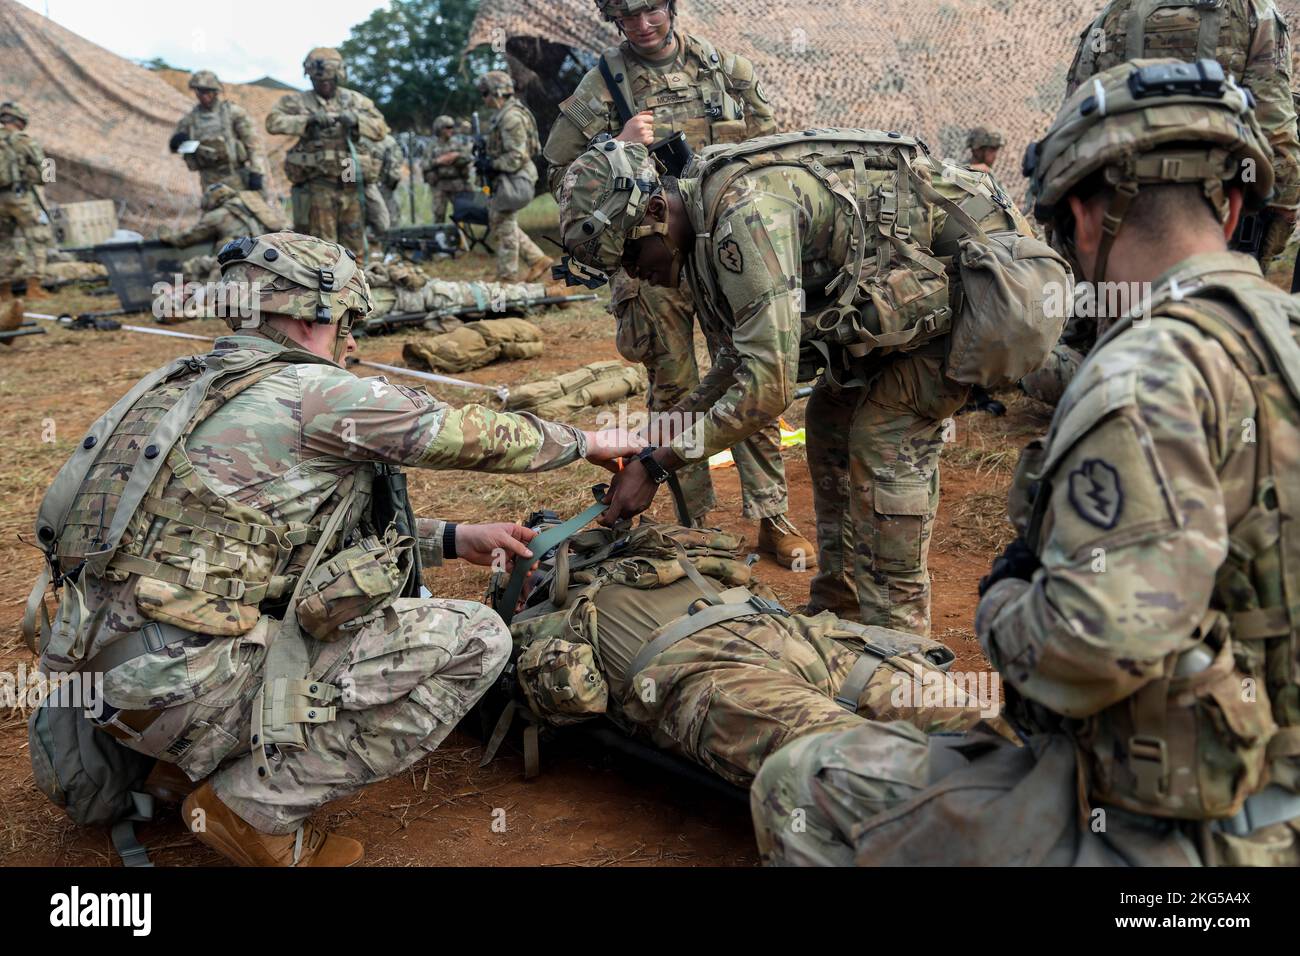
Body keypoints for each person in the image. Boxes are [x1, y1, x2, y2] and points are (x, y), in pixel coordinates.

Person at [750, 59, 1300, 868]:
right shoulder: (1282, 333)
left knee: (802, 784)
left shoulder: (1143, 376)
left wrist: (1006, 599)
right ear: (1235, 201)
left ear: (1084, 214)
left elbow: (1088, 652)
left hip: (1198, 838)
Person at [22, 231, 640, 866]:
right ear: (305, 313)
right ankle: (252, 809)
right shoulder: (311, 392)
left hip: (99, 681)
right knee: (476, 639)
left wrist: (454, 539)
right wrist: (588, 441)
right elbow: (466, 434)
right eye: (347, 319)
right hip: (183, 687)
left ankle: (174, 771)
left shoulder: (175, 388)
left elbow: (268, 535)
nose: (351, 340)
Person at [558, 132, 1039, 635]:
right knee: (829, 418)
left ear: (657, 207)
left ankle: (900, 649)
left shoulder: (744, 217)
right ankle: (841, 613)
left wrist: (658, 465)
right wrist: (665, 432)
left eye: (633, 258)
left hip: (977, 289)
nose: (638, 276)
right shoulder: (700, 214)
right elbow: (739, 357)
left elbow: (768, 386)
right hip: (901, 308)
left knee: (883, 439)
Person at [543, 0, 809, 566]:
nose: (642, 26)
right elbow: (561, 180)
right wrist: (615, 145)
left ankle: (770, 515)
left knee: (748, 369)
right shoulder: (601, 86)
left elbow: (771, 154)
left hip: (727, 249)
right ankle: (700, 526)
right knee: (674, 388)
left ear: (670, 7)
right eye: (627, 17)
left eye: (650, 11)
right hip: (649, 260)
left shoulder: (725, 69)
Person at [1067, 0, 1300, 262]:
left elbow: (1072, 140)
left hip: (1119, 239)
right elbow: (1279, 149)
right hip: (1214, 235)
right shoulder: (1255, 14)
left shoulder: (1108, 19)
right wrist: (1260, 254)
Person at [266, 48, 389, 255]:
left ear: (339, 76)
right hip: (319, 181)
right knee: (323, 248)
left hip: (349, 175)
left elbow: (381, 128)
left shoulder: (355, 101)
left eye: (329, 80)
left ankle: (356, 282)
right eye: (317, 81)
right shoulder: (297, 101)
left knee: (354, 242)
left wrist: (357, 121)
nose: (323, 85)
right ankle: (327, 283)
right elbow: (273, 122)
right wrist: (307, 121)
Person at [476, 70, 552, 282]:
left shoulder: (510, 117)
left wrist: (491, 164)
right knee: (501, 222)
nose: (484, 99)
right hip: (509, 178)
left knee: (504, 226)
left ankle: (507, 278)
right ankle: (537, 260)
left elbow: (516, 156)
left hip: (515, 179)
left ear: (496, 92)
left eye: (485, 93)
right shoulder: (504, 114)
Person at [158, 182, 286, 283]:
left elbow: (187, 238)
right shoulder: (253, 204)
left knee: (195, 265)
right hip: (270, 254)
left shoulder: (217, 216)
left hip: (241, 261)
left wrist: (168, 237)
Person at [168, 71, 266, 193]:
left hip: (237, 176)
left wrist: (256, 172)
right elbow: (176, 148)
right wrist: (177, 143)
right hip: (209, 180)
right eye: (199, 92)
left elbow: (253, 144)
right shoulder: (190, 120)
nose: (203, 96)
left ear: (215, 92)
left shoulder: (233, 113)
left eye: (207, 91)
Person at [0, 101, 51, 306]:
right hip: (20, 197)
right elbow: (46, 174)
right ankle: (34, 288)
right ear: (20, 121)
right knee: (37, 237)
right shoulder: (26, 141)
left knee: (3, 243)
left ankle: (4, 292)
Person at [424, 115, 473, 223]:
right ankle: (439, 237)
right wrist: (438, 161)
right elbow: (424, 164)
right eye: (448, 127)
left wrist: (456, 156)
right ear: (440, 129)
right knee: (438, 214)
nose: (451, 130)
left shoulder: (457, 144)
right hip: (440, 185)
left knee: (462, 213)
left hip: (457, 183)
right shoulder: (432, 146)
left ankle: (461, 237)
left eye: (452, 127)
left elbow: (468, 157)